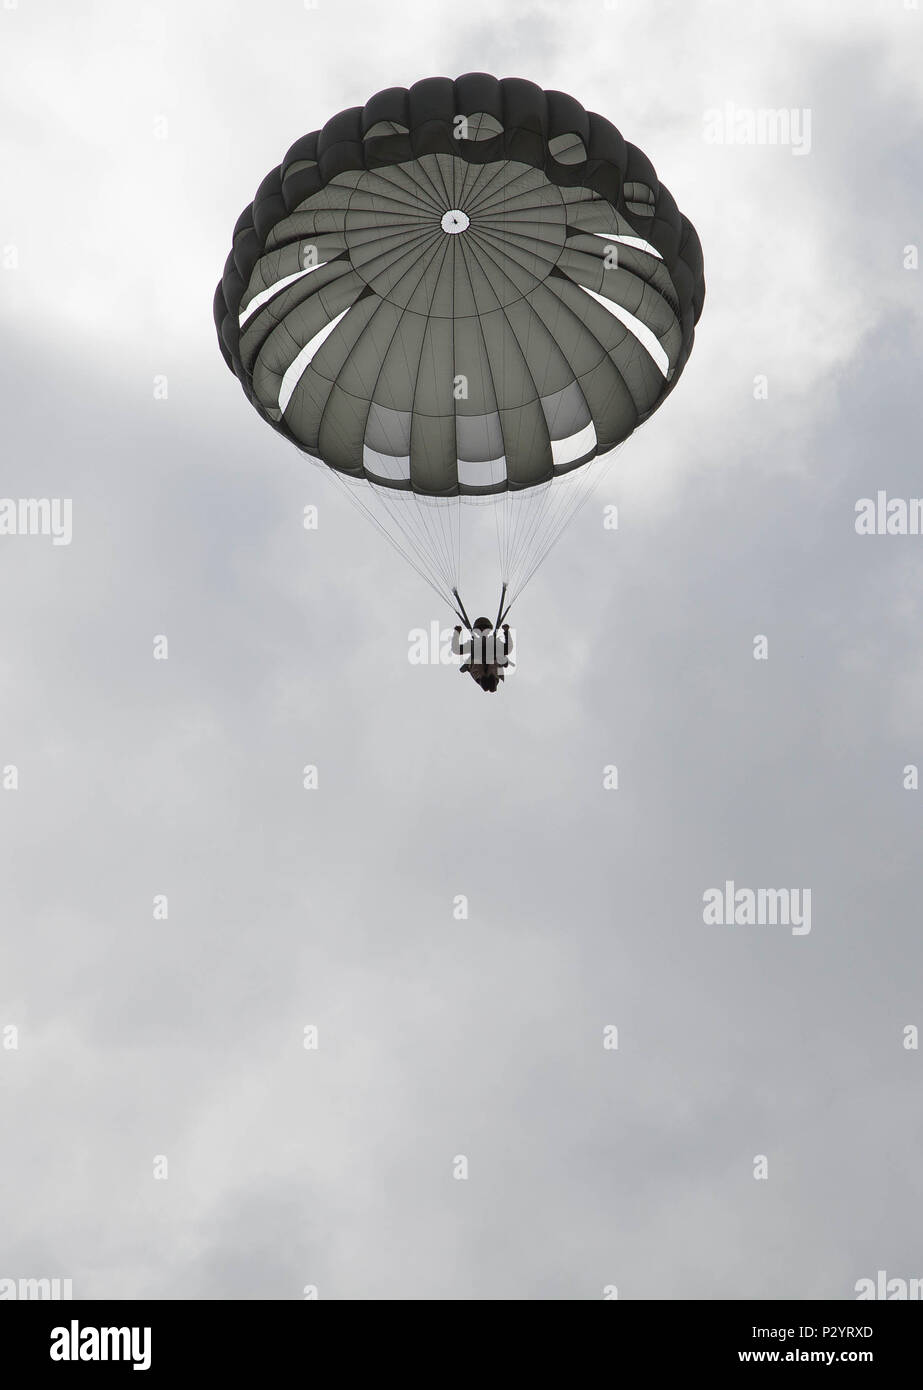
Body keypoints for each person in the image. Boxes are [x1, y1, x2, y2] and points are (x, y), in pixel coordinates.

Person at [452, 618, 513, 693]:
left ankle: (489, 678)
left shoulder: (479, 642)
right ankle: (487, 678)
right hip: (481, 662)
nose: (482, 631)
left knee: (489, 665)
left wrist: (457, 633)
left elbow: (507, 649)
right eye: (480, 629)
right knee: (483, 666)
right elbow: (457, 649)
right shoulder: (476, 643)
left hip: (490, 661)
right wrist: (506, 632)